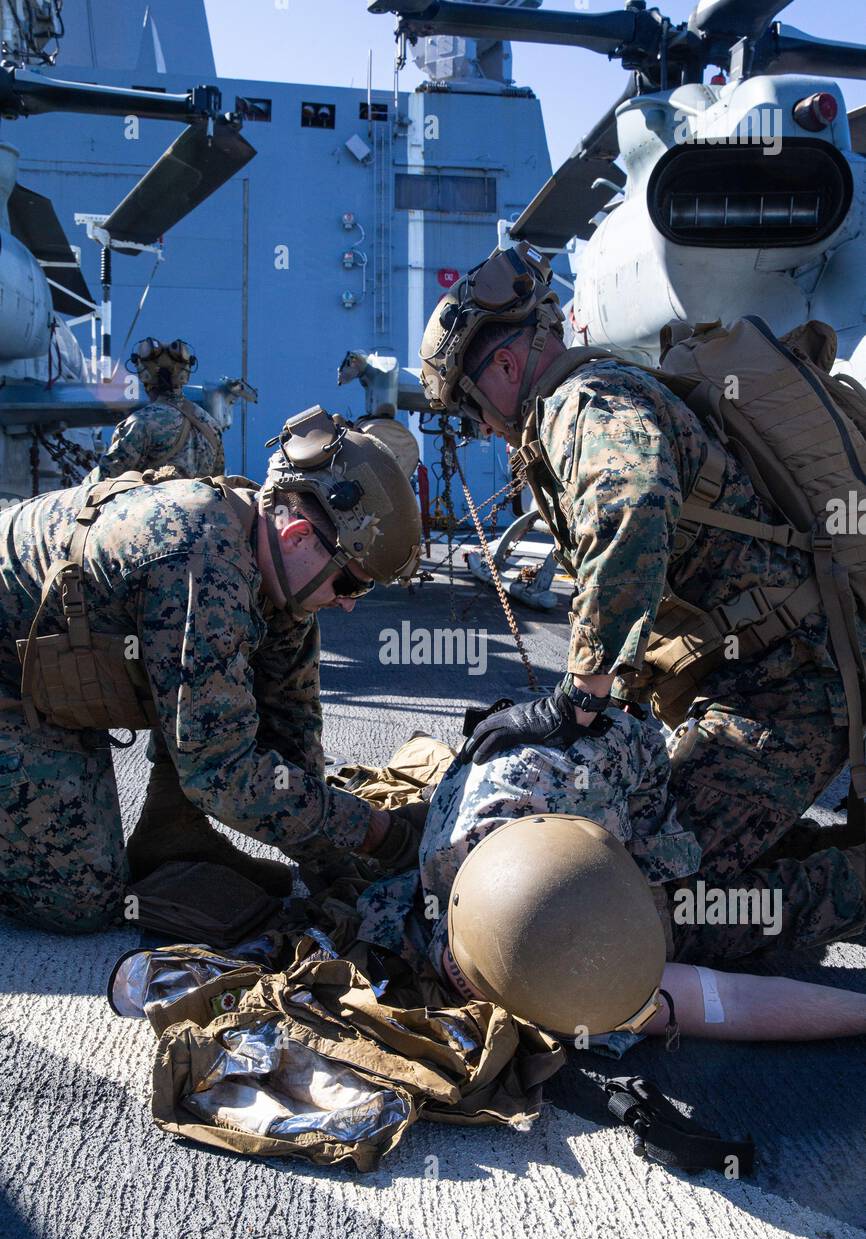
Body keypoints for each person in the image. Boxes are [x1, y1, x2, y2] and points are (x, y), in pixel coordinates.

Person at [416, 242, 866, 954]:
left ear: (503, 366)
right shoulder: (600, 392)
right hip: (760, 676)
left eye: (472, 408)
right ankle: (809, 850)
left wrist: (576, 699)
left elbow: (632, 508)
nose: (482, 428)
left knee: (653, 910)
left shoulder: (582, 403)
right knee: (657, 845)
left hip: (790, 690)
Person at [0, 405, 422, 933]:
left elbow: (290, 731)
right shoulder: (203, 562)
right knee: (80, 902)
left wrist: (329, 856)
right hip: (11, 681)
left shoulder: (280, 576)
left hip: (55, 678)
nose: (350, 605)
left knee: (205, 705)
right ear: (296, 537)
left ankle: (171, 832)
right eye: (351, 584)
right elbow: (221, 771)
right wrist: (381, 833)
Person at [355, 710, 866, 1050]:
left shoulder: (564, 773)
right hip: (626, 906)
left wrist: (654, 844)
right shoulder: (576, 986)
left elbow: (633, 733)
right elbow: (725, 1001)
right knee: (792, 903)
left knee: (726, 847)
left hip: (617, 807)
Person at [94, 337, 224, 482]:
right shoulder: (211, 425)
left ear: (143, 373)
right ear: (185, 372)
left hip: (153, 504)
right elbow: (217, 479)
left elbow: (105, 478)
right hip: (203, 503)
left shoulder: (141, 422)